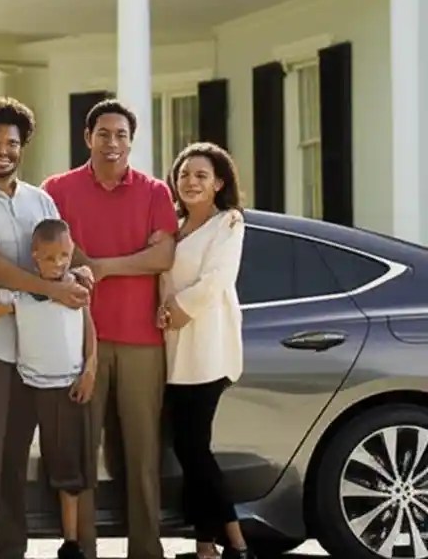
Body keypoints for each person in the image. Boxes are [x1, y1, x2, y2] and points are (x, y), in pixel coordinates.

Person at [0, 97, 93, 559]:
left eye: (11, 142)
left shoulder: (40, 200)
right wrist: (52, 291)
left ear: (22, 146)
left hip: (35, 351)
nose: (2, 151)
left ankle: (11, 549)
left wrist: (79, 275)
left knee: (14, 458)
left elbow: (59, 255)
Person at [41, 99, 178, 559]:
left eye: (121, 135)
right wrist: (126, 258)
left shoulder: (155, 192)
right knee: (82, 454)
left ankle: (146, 551)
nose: (112, 142)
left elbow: (163, 257)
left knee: (141, 458)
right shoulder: (57, 190)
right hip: (77, 342)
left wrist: (100, 264)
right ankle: (83, 550)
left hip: (143, 341)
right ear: (88, 138)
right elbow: (46, 250)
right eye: (104, 133)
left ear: (131, 141)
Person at [0, 218, 99, 559]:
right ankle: (10, 539)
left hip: (68, 387)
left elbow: (89, 327)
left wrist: (90, 369)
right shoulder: (21, 294)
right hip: (28, 387)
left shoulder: (75, 286)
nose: (59, 264)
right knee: (17, 459)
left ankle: (70, 542)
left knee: (69, 467)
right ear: (35, 255)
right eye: (51, 257)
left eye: (65, 256)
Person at [157, 143, 253, 559]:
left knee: (194, 448)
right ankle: (210, 544)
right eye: (184, 175)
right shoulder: (172, 226)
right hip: (172, 351)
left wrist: (178, 309)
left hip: (208, 348)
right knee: (187, 449)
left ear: (218, 183)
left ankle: (231, 543)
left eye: (201, 175)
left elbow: (217, 280)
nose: (191, 182)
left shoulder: (228, 223)